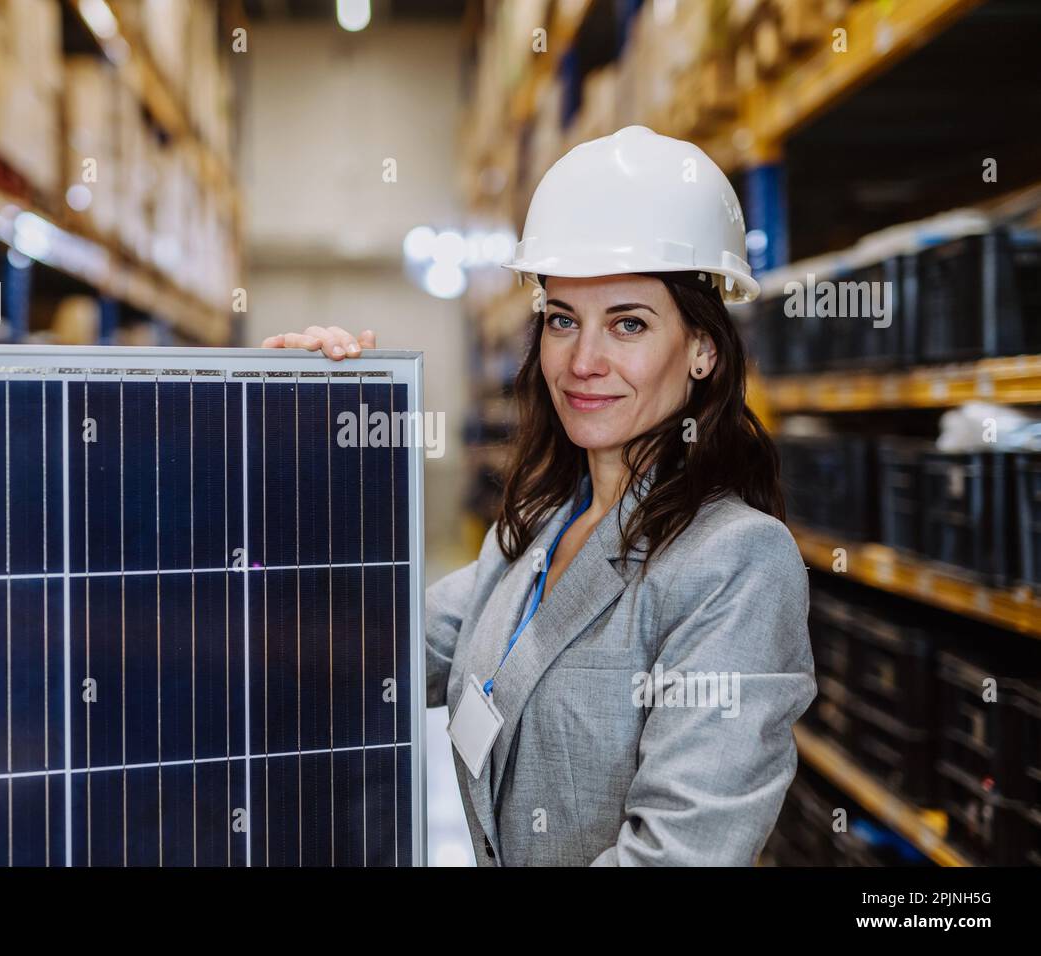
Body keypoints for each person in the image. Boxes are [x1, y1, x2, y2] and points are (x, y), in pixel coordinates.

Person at [263, 125, 816, 866]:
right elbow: (346, 651)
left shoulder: (737, 561)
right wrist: (292, 447)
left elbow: (680, 856)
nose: (583, 361)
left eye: (628, 323)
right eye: (562, 320)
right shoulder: (532, 536)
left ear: (703, 349)